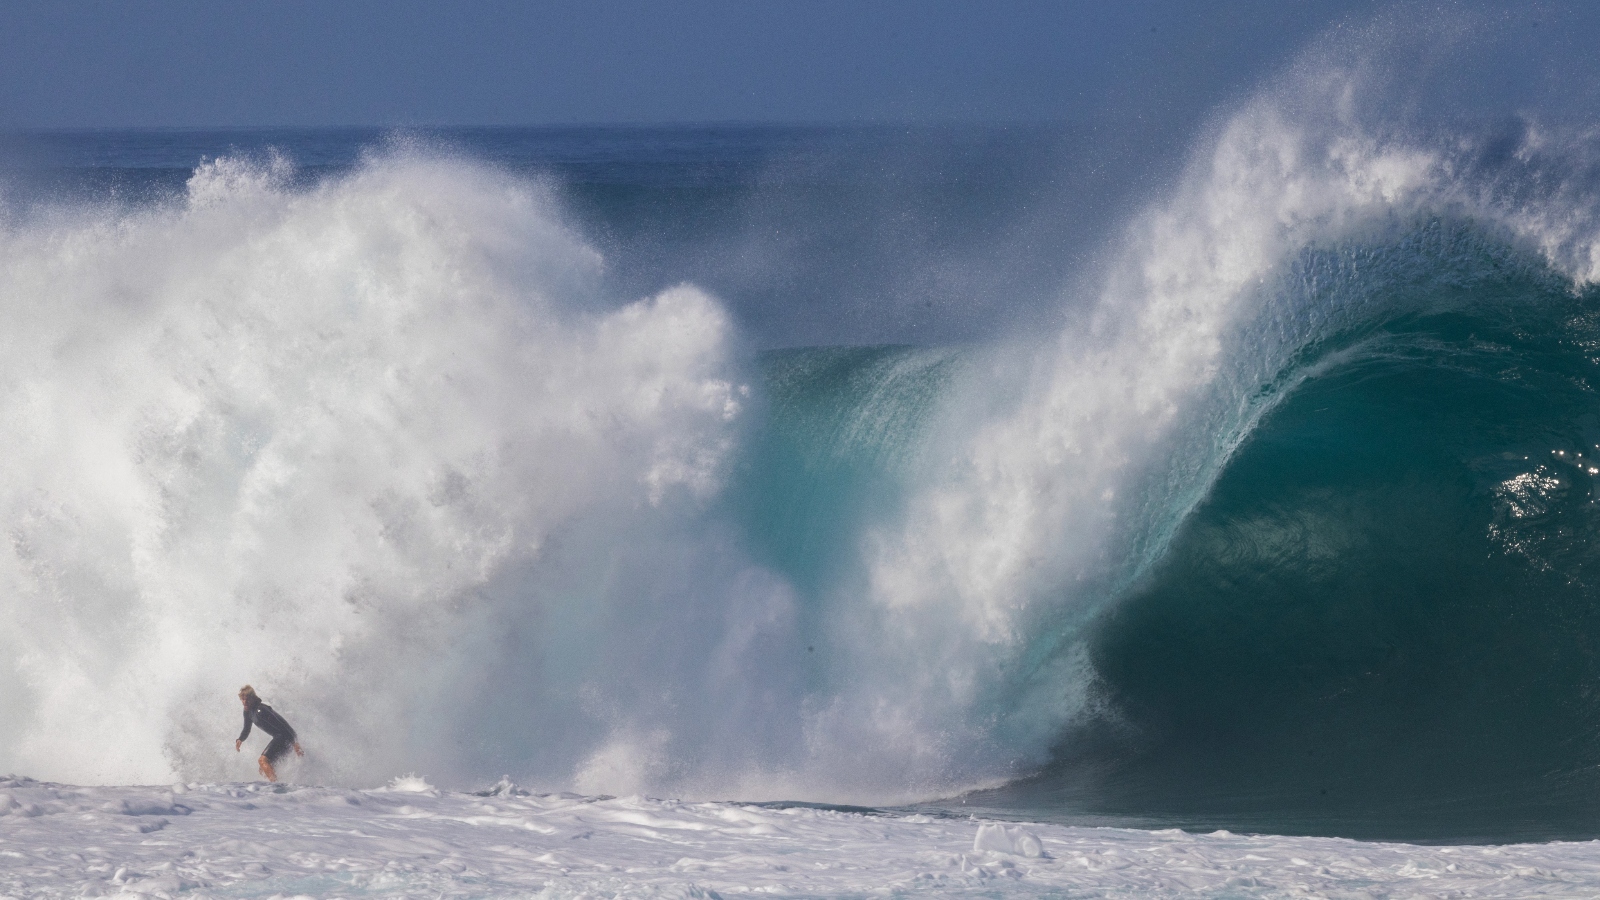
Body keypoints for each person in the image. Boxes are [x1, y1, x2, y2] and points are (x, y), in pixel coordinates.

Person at [235, 685, 302, 782]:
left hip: (284, 737)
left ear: (253, 698)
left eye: (247, 699)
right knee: (262, 769)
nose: (244, 702)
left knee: (262, 761)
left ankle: (277, 787)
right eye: (242, 699)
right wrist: (240, 739)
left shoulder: (261, 711)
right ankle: (280, 782)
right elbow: (246, 728)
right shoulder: (248, 711)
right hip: (280, 738)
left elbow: (283, 726)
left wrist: (295, 743)